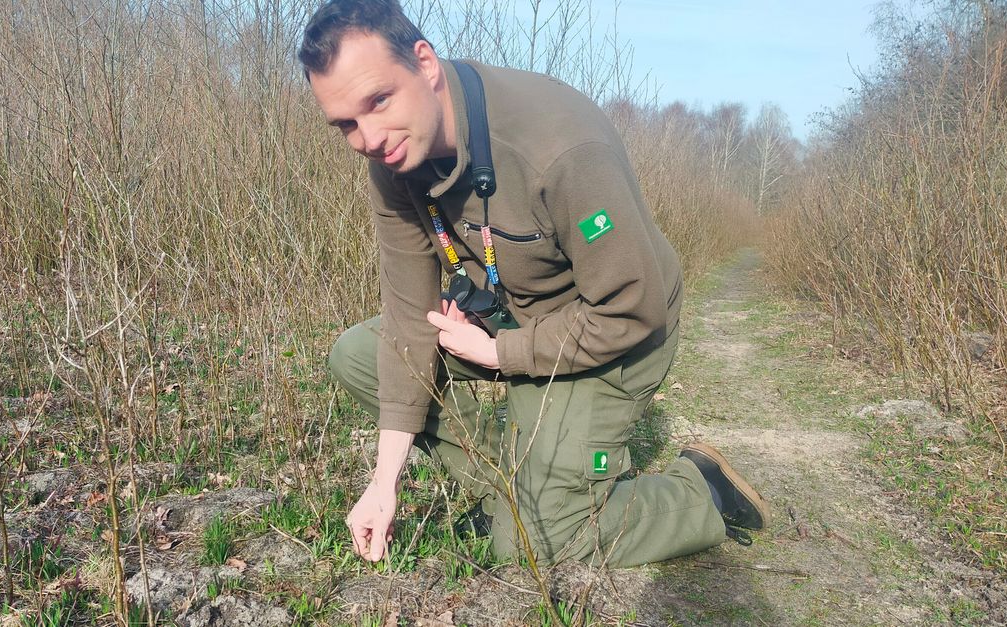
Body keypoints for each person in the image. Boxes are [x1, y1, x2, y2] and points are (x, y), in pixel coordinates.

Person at [298, 0, 770, 567]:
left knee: (539, 546)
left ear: (424, 63)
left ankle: (700, 491)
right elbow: (405, 318)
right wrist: (384, 483)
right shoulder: (396, 156)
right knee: (360, 355)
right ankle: (514, 494)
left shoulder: (559, 145)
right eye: (345, 123)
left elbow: (630, 308)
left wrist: (502, 352)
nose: (369, 137)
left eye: (378, 101)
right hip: (517, 317)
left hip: (615, 337)